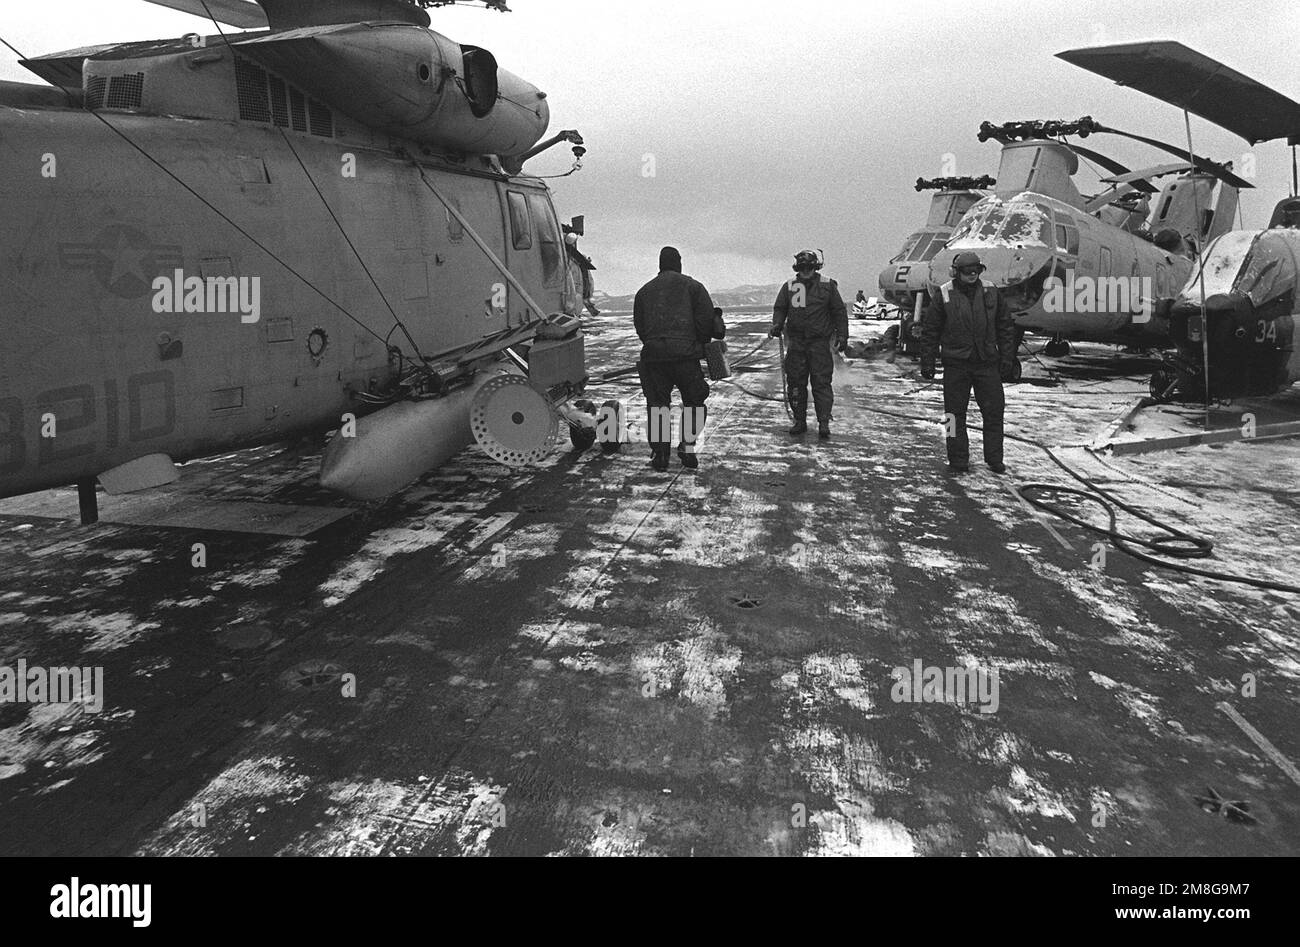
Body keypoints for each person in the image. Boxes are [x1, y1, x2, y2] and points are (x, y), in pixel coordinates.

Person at [920, 250, 1017, 474]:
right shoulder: (944, 294)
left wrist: (1007, 358)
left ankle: (994, 459)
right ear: (956, 272)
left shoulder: (991, 292)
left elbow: (1005, 327)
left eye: (976, 271)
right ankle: (957, 459)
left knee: (994, 413)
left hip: (986, 363)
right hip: (956, 365)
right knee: (953, 416)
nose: (972, 275)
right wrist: (928, 361)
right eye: (967, 272)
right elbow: (931, 330)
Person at [633, 247, 720, 471]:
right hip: (686, 358)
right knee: (694, 403)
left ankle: (661, 455)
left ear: (660, 263)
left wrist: (655, 344)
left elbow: (640, 326)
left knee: (658, 406)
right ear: (678, 263)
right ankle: (687, 447)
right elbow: (706, 323)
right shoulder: (694, 287)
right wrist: (695, 345)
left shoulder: (644, 291)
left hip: (654, 358)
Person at [770, 250, 848, 438]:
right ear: (797, 268)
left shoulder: (827, 286)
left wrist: (843, 335)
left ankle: (823, 422)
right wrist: (777, 324)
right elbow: (780, 308)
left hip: (819, 344)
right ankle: (799, 420)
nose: (806, 271)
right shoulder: (789, 286)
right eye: (802, 268)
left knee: (821, 383)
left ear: (816, 267)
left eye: (809, 267)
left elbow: (839, 311)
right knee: (796, 383)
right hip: (796, 344)